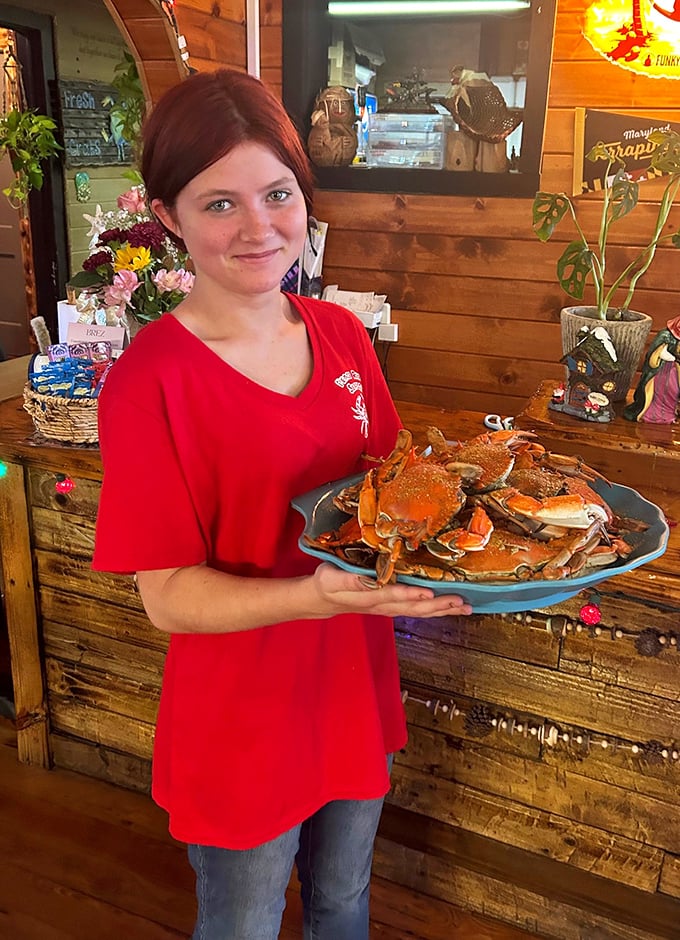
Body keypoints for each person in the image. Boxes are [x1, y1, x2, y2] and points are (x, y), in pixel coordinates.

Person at [91, 68, 472, 940]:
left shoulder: (339, 333)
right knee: (245, 925)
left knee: (342, 904)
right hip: (243, 718)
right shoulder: (149, 381)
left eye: (277, 194)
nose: (260, 228)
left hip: (352, 688)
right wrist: (316, 596)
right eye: (219, 204)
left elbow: (395, 490)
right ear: (168, 217)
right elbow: (167, 596)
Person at [623, 315, 680, 423]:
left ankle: (669, 413)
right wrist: (670, 357)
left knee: (672, 391)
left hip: (673, 372)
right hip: (660, 371)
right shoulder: (665, 336)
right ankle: (650, 412)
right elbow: (656, 355)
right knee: (656, 391)